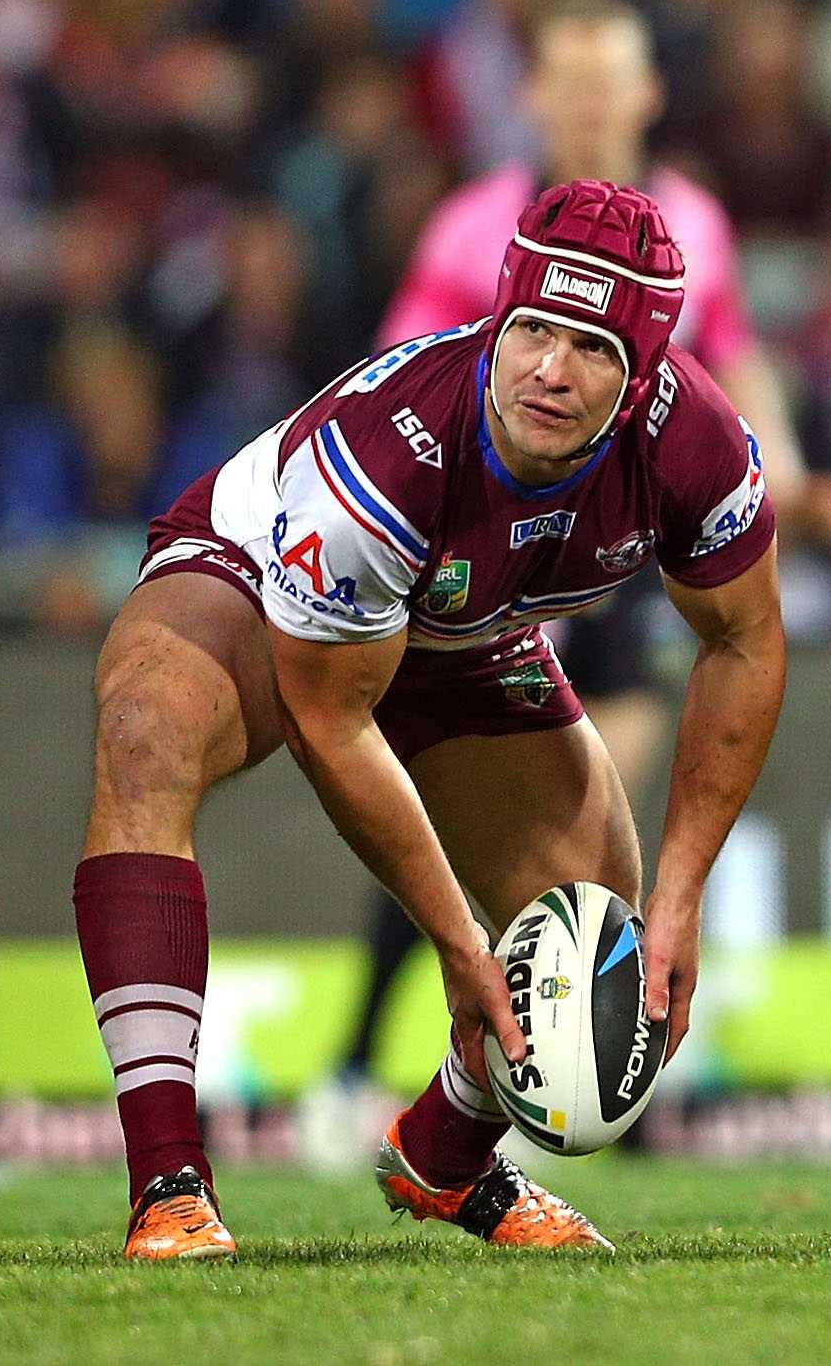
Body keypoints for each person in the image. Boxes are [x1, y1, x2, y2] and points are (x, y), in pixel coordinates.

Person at [76, 181, 784, 1259]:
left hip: (465, 628)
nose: (550, 369)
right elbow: (328, 718)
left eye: (592, 347)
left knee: (598, 929)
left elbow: (745, 643)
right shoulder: (386, 455)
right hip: (263, 579)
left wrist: (683, 895)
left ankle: (447, 1157)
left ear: (644, 376)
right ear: (498, 317)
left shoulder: (698, 446)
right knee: (147, 727)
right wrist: (459, 941)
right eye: (533, 328)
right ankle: (168, 1181)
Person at [313, 0, 831, 1135]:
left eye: (611, 81)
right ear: (534, 96)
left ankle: (568, 1064)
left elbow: (731, 363)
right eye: (572, 81)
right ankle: (365, 1062)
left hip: (623, 561)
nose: (592, 103)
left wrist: (784, 477)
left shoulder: (694, 224)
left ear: (648, 94)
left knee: (596, 823)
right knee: (477, 824)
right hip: (486, 556)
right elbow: (404, 374)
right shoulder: (474, 228)